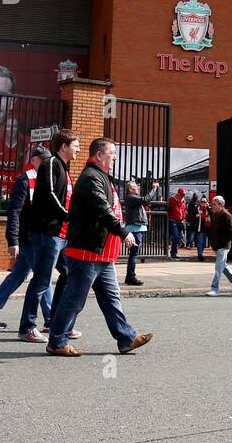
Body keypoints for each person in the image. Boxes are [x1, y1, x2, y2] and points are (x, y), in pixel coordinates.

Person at [46, 138, 153, 357]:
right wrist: (123, 232)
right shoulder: (90, 178)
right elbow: (102, 210)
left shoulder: (101, 176)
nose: (115, 156)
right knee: (74, 299)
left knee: (111, 299)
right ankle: (56, 341)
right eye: (112, 152)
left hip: (103, 255)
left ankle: (126, 338)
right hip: (87, 252)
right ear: (98, 155)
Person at [0, 146, 51, 328]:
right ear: (33, 160)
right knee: (43, 277)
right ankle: (52, 319)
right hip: (29, 238)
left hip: (38, 237)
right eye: (43, 159)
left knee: (18, 275)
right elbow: (14, 212)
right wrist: (13, 240)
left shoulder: (46, 180)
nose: (47, 163)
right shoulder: (25, 181)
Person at [20, 130, 78, 344]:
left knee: (68, 273)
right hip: (47, 232)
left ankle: (55, 322)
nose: (78, 149)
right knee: (42, 281)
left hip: (61, 234)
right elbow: (50, 193)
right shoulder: (51, 164)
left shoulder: (63, 167)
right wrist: (66, 215)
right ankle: (27, 327)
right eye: (75, 145)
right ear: (63, 146)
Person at [205, 195, 232, 296]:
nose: (213, 206)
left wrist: (221, 241)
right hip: (217, 246)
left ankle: (215, 288)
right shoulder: (215, 214)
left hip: (223, 246)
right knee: (223, 266)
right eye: (212, 204)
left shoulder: (227, 215)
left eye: (215, 204)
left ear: (221, 205)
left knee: (218, 267)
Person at [123, 180, 150, 286]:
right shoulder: (130, 197)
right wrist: (154, 189)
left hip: (138, 227)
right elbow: (146, 199)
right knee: (133, 254)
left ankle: (129, 276)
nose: (137, 189)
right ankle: (130, 276)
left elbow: (146, 201)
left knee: (134, 253)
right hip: (135, 228)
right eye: (135, 187)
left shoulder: (133, 199)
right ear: (130, 189)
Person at [168, 188, 188, 258]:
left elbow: (183, 210)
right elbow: (169, 209)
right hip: (173, 220)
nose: (183, 196)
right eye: (182, 194)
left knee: (178, 237)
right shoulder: (172, 200)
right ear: (178, 194)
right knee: (176, 236)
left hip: (180, 221)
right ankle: (173, 253)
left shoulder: (183, 201)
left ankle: (174, 253)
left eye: (184, 195)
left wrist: (184, 218)